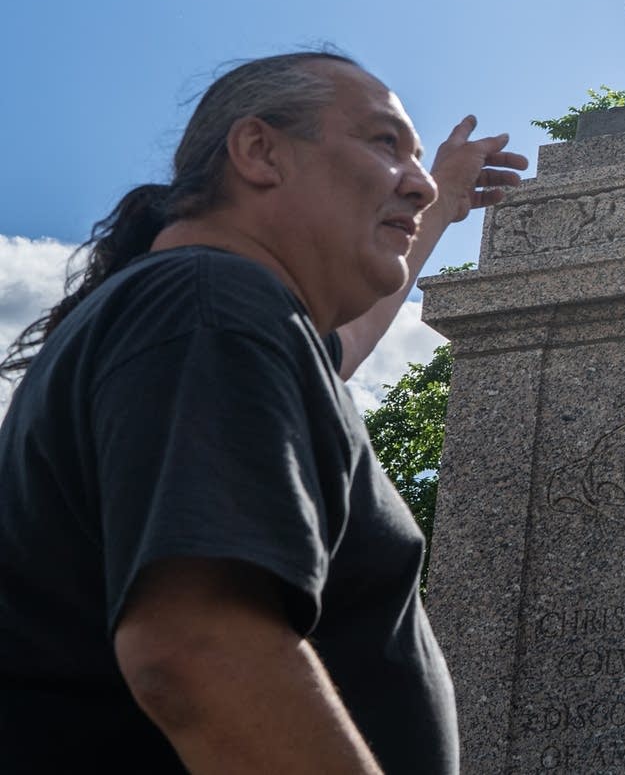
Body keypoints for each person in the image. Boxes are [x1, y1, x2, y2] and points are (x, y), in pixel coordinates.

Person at [0, 51, 524, 773]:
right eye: (383, 142)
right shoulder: (210, 309)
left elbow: (341, 346)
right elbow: (195, 648)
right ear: (259, 151)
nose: (421, 178)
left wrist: (436, 210)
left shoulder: (217, 321)